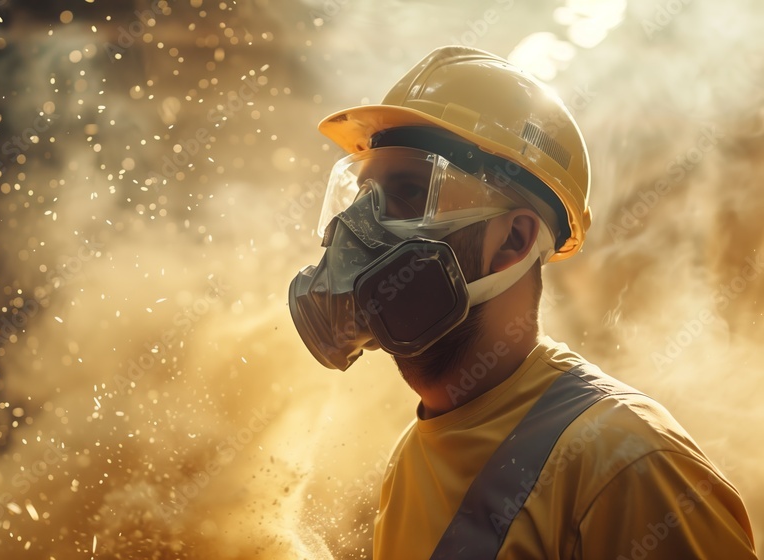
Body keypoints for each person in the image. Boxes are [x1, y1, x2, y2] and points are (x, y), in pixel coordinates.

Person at [287, 45, 757, 559]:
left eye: (408, 192)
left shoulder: (627, 463)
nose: (359, 226)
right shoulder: (413, 458)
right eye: (361, 194)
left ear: (513, 241)